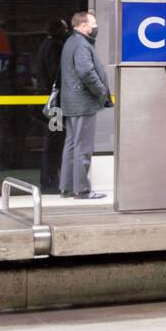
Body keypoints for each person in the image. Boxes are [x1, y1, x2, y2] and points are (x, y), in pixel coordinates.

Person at [58, 10, 112, 199]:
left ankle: (67, 187)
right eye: (93, 23)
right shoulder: (81, 44)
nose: (95, 27)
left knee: (71, 144)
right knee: (83, 147)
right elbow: (86, 72)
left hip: (72, 103)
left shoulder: (71, 42)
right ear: (82, 26)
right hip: (83, 103)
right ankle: (82, 189)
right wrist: (101, 91)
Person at [34, 18, 68, 194]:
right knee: (54, 142)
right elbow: (55, 73)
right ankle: (49, 182)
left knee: (53, 141)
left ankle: (49, 180)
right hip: (54, 103)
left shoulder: (45, 45)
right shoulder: (54, 47)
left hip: (49, 99)